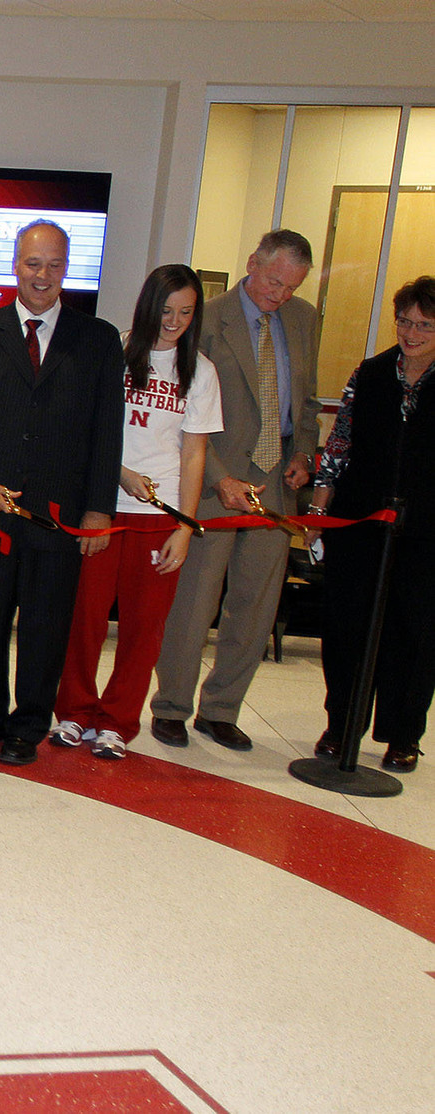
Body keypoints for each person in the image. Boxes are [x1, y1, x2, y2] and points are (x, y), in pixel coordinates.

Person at [0, 219, 124, 766]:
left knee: (45, 624)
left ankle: (27, 727)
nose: (42, 275)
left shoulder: (98, 339)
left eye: (53, 264)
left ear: (66, 269)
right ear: (15, 265)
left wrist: (98, 510)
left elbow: (107, 429)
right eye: (32, 263)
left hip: (58, 512)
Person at [151, 229, 321, 752]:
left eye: (291, 287)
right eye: (274, 282)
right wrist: (219, 476)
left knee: (255, 604)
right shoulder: (206, 317)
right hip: (212, 480)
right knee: (194, 601)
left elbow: (307, 401)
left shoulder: (304, 319)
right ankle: (172, 706)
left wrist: (303, 454)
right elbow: (181, 408)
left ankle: (221, 710)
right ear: (252, 263)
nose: (280, 295)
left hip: (276, 481)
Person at [52, 264, 221, 759]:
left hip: (160, 517)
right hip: (103, 508)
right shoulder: (114, 351)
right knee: (85, 619)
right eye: (166, 310)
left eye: (186, 312)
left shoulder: (201, 372)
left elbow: (194, 456)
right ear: (147, 306)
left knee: (144, 630)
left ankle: (118, 722)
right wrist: (119, 473)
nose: (174, 321)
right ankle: (73, 712)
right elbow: (86, 430)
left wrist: (185, 527)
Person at [310, 276, 435, 774]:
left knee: (415, 632)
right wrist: (318, 512)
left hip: (426, 533)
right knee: (347, 627)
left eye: (424, 325)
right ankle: (342, 726)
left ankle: (403, 735)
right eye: (405, 321)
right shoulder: (371, 373)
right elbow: (338, 447)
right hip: (359, 522)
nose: (411, 333)